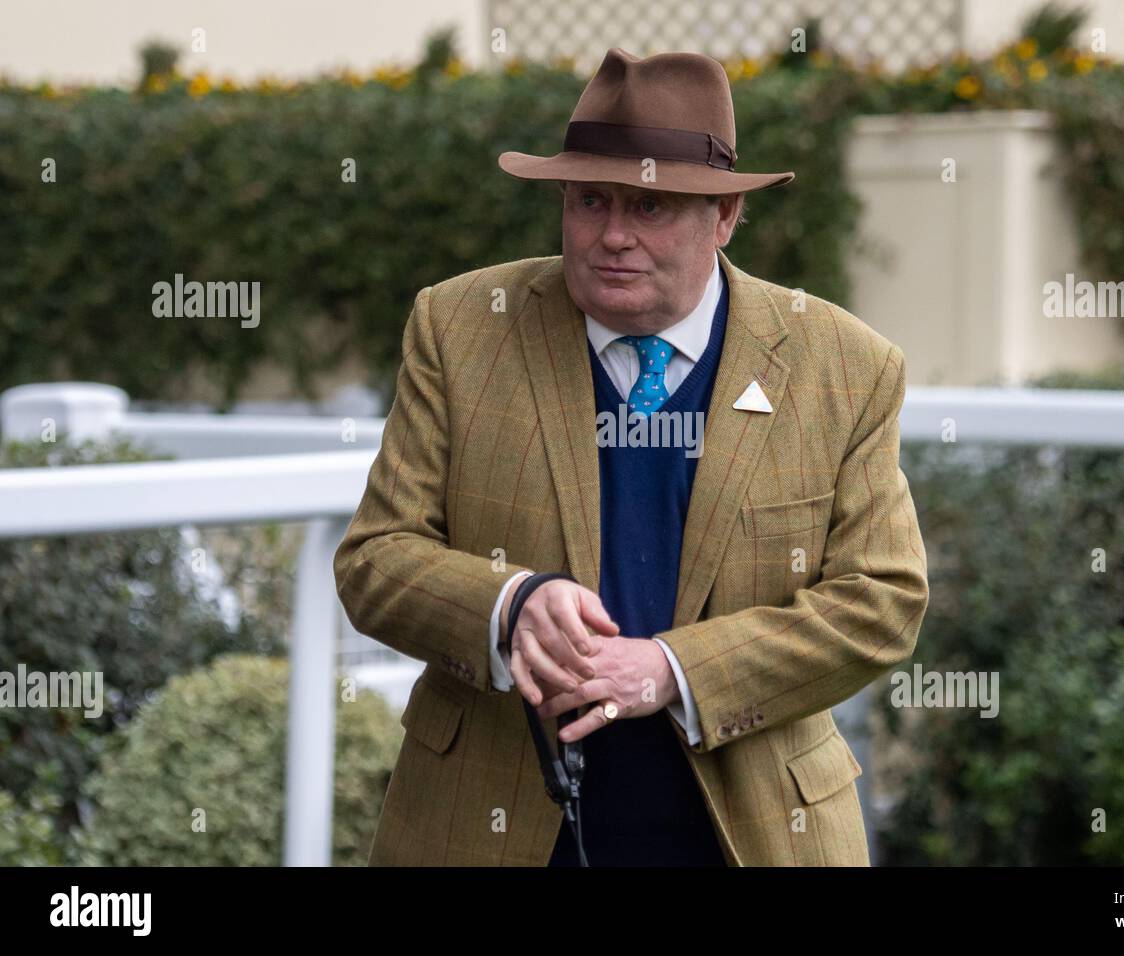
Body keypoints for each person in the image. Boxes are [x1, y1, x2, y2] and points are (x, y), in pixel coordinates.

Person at [333, 47, 929, 866]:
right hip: (487, 822)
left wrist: (671, 669)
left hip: (749, 836)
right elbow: (375, 560)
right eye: (590, 201)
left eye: (650, 207)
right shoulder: (460, 327)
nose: (613, 235)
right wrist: (508, 605)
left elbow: (881, 599)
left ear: (723, 217)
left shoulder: (846, 367)